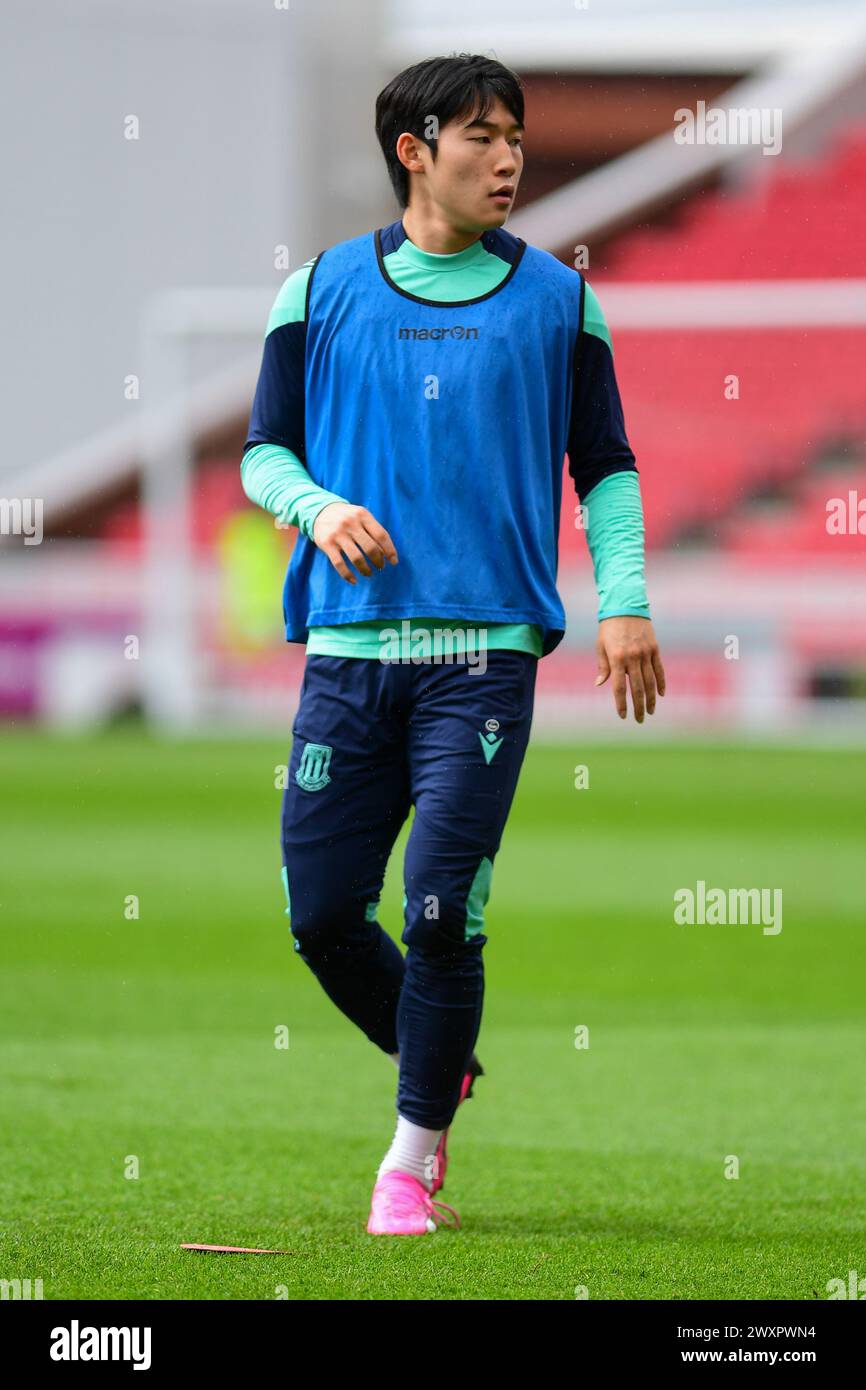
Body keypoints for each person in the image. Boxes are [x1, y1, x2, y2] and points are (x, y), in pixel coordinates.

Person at [241, 53, 666, 1236]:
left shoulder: (557, 300)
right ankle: (442, 1054)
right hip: (348, 658)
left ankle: (408, 1156)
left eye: (516, 135)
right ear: (413, 152)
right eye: (482, 136)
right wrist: (319, 509)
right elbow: (263, 451)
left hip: (482, 662)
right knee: (321, 914)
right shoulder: (319, 290)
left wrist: (622, 600)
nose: (510, 156)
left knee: (440, 910)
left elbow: (608, 468)